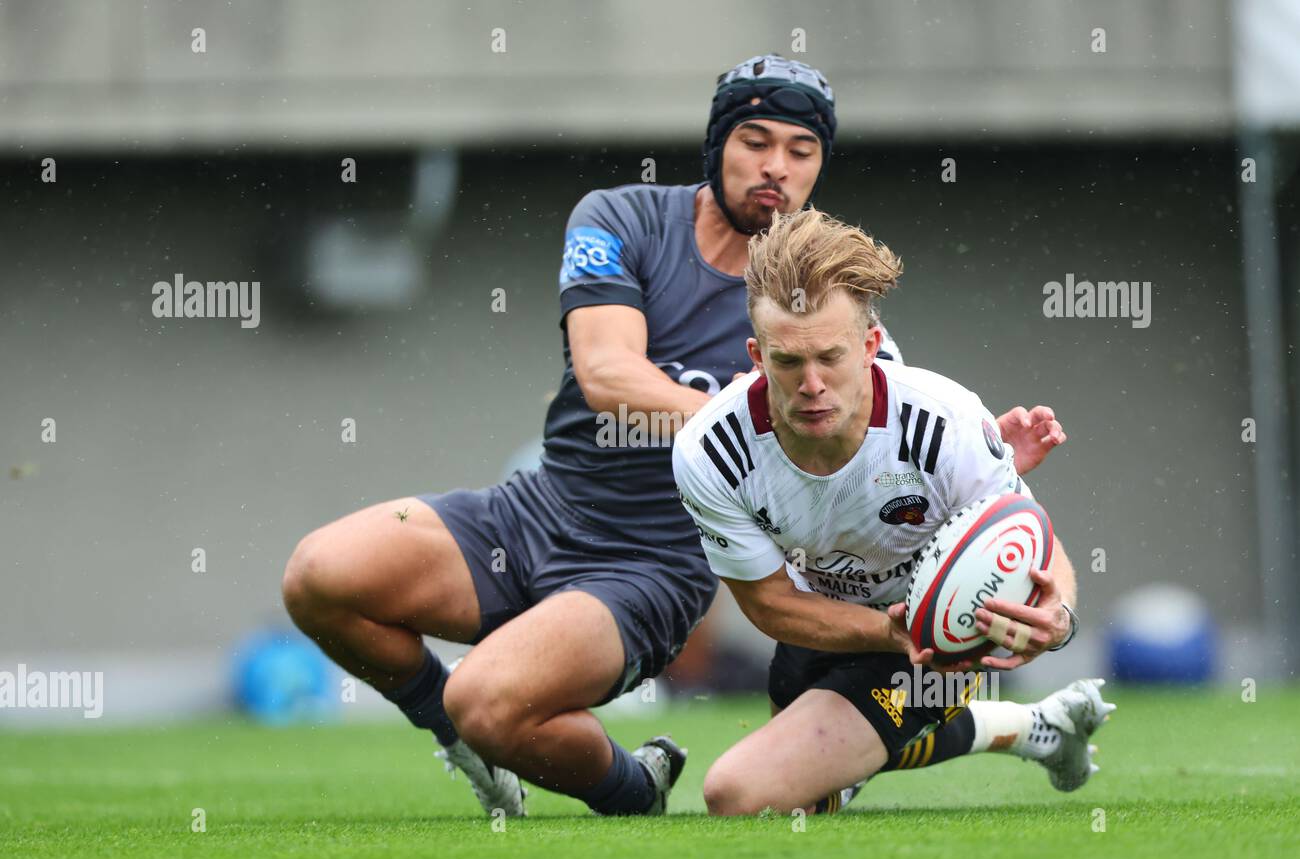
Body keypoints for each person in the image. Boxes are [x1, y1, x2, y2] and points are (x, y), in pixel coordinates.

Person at [281, 54, 1065, 818]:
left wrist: (954, 453)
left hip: (654, 566)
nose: (776, 168)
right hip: (539, 509)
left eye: (801, 151)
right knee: (319, 577)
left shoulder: (814, 300)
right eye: (755, 142)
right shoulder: (619, 218)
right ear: (715, 145)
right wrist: (752, 410)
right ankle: (462, 743)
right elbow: (607, 374)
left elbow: (873, 428)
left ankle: (634, 786)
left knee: (490, 698)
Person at [671, 207, 1114, 815]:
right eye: (788, 362)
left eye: (830, 356)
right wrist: (889, 630)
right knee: (814, 798)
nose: (812, 383)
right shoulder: (711, 450)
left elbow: (1028, 530)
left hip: (944, 644)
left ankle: (994, 718)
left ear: (871, 346)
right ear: (756, 355)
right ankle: (1037, 725)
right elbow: (769, 603)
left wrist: (1058, 614)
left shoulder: (946, 420)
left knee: (740, 795)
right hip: (823, 623)